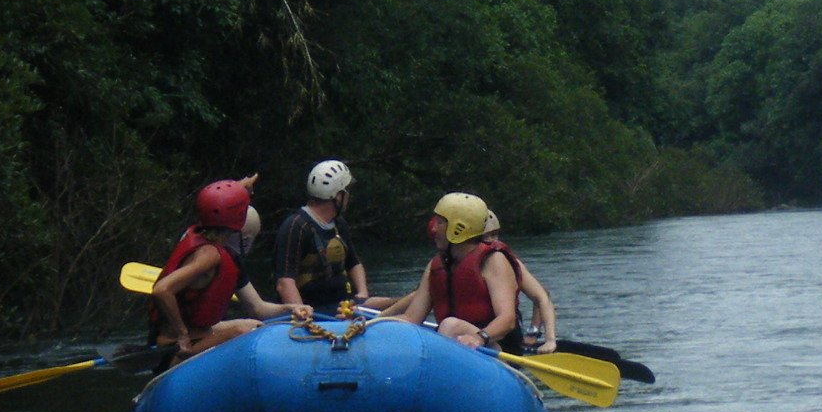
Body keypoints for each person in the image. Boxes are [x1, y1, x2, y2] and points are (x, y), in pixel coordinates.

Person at [375, 193, 561, 355]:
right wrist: (373, 326)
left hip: (496, 350)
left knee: (449, 325)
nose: (433, 229)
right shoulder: (436, 265)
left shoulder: (494, 261)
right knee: (436, 328)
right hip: (459, 347)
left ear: (458, 227)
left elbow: (507, 320)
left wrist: (479, 338)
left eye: (440, 222)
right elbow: (410, 319)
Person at [152, 176, 299, 362]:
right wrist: (183, 335)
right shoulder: (210, 255)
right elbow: (161, 289)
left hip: (199, 332)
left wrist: (291, 308)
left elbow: (215, 203)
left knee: (251, 322)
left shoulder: (195, 235)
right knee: (247, 330)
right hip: (179, 346)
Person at [273, 158, 372, 314]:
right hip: (313, 311)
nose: (348, 196)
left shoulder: (339, 224)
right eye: (346, 192)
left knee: (394, 304)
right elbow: (284, 283)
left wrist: (362, 293)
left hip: (343, 308)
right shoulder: (296, 227)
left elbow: (354, 263)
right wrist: (304, 315)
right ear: (338, 196)